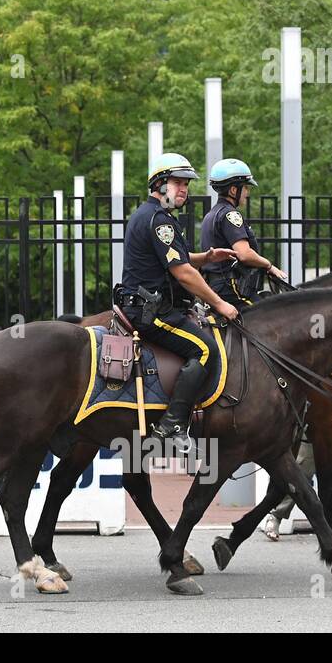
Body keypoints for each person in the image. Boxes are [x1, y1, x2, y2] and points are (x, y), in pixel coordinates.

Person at [117, 152, 240, 451]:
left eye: (186, 184)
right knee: (205, 349)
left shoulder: (153, 216)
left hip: (144, 304)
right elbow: (183, 273)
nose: (184, 189)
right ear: (159, 184)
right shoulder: (160, 220)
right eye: (177, 183)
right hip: (149, 312)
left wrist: (208, 257)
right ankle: (172, 426)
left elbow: (181, 260)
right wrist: (220, 304)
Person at [199, 158, 288, 308]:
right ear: (234, 190)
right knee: (271, 315)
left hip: (215, 285)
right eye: (246, 188)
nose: (247, 192)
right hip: (231, 288)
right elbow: (244, 254)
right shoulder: (230, 215)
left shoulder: (212, 214)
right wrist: (269, 265)